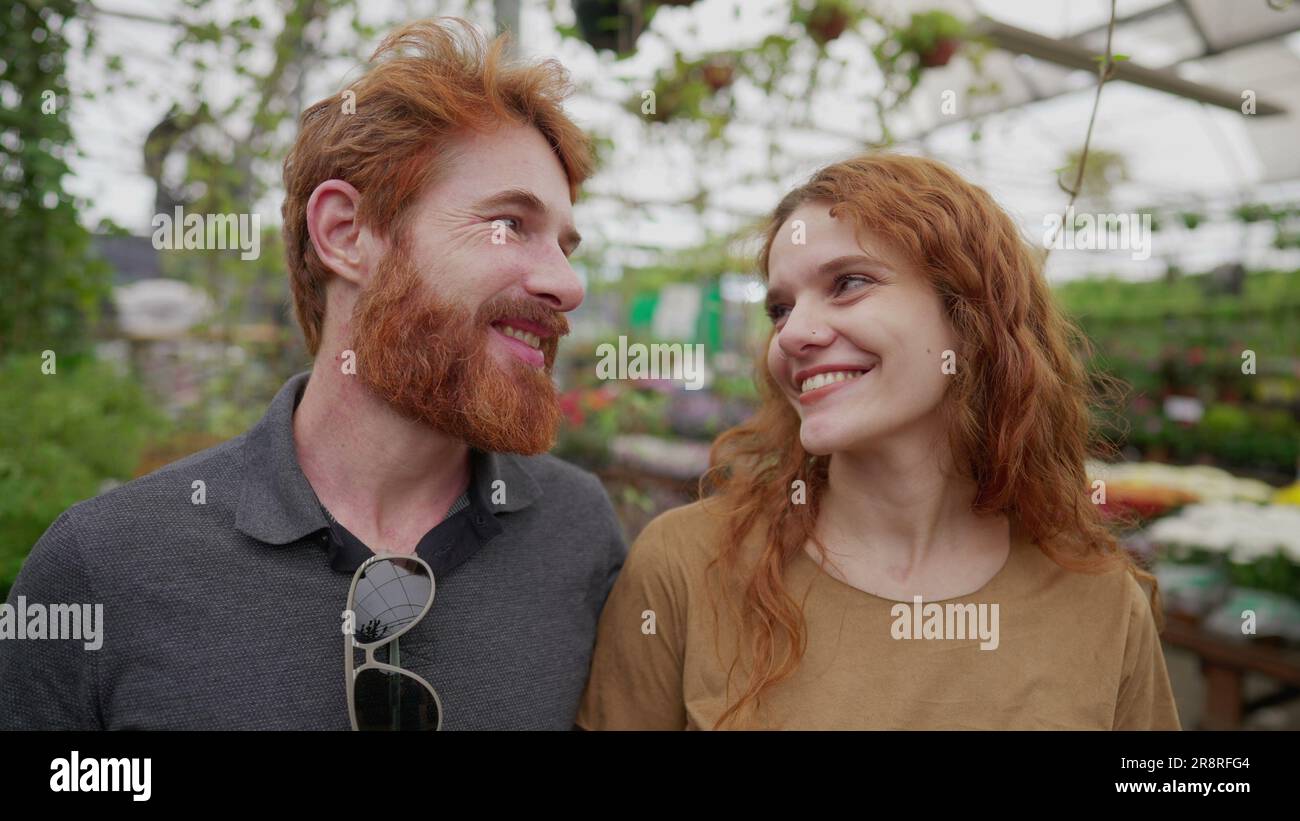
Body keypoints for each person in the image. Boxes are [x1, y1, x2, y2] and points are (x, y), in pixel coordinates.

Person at [0, 18, 626, 730]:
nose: (568, 284)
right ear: (345, 234)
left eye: (566, 244)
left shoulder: (578, 536)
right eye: (511, 223)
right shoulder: (104, 566)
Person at [576, 153, 1181, 730]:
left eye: (848, 283)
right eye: (780, 309)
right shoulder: (685, 564)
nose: (792, 336)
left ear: (970, 316)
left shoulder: (1099, 601)